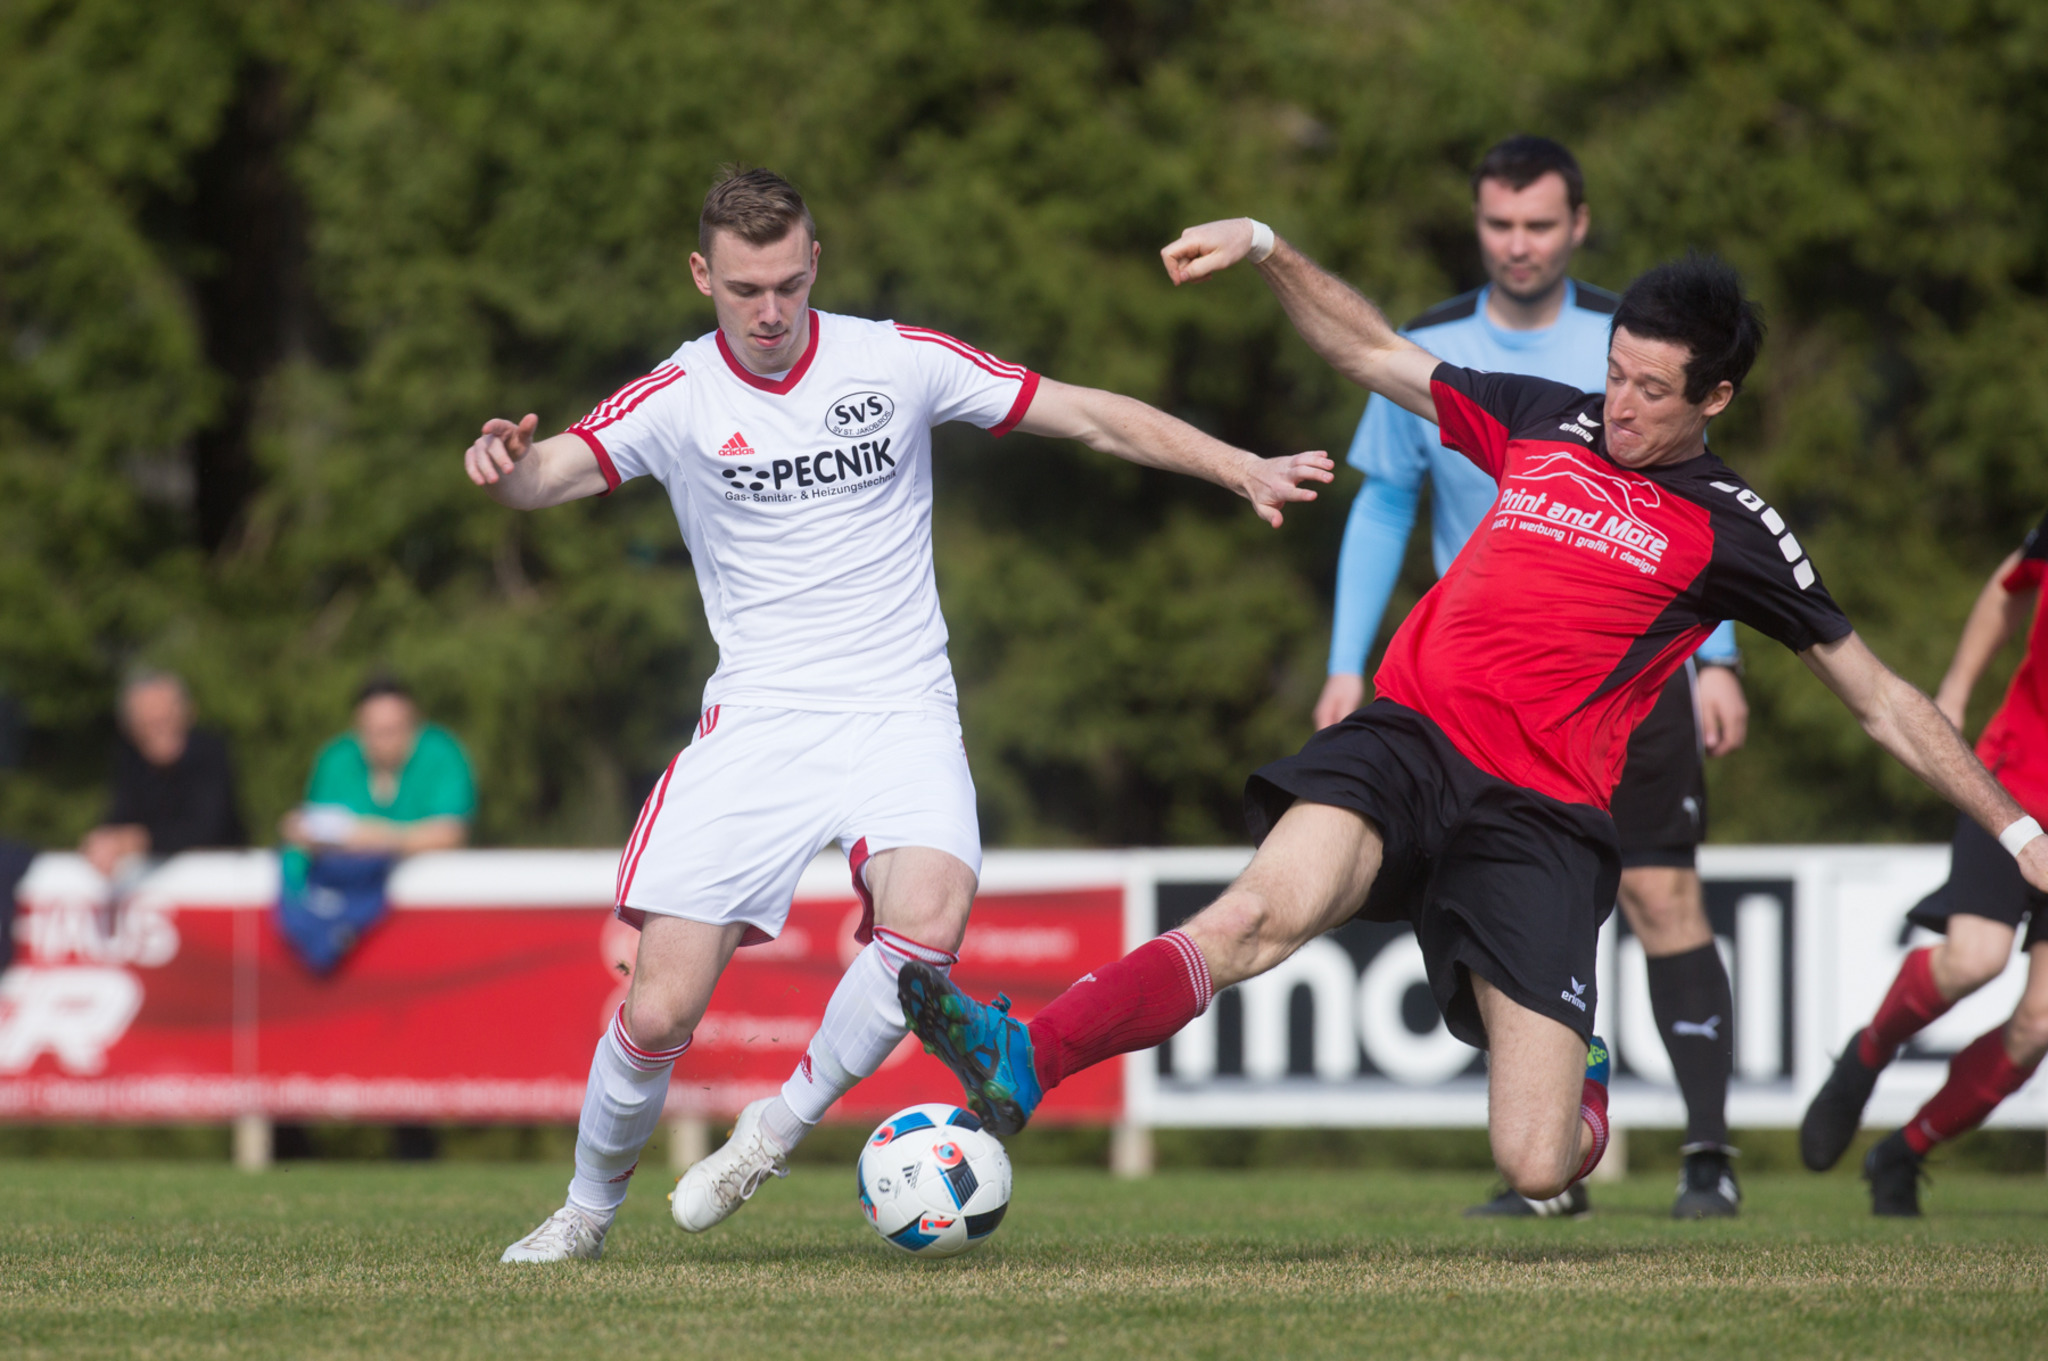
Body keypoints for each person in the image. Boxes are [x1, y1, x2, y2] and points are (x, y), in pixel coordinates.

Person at [900, 219, 2048, 1219]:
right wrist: (1263, 245)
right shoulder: (1545, 419)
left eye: (1655, 389)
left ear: (1715, 398)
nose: (1623, 403)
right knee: (1257, 910)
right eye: (1617, 373)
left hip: (1539, 819)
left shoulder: (1732, 525)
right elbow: (1368, 349)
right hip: (1406, 739)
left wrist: (2014, 831)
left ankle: (1577, 1068)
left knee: (1534, 1158)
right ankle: (1027, 1054)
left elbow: (1881, 699)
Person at [475, 168, 1333, 1264]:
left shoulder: (896, 359)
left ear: (815, 263)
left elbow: (1085, 414)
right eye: (744, 288)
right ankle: (584, 1214)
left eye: (787, 282)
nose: (770, 310)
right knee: (657, 1010)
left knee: (928, 914)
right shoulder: (678, 394)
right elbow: (548, 475)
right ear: (702, 277)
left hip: (898, 705)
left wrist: (1236, 464)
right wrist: (502, 469)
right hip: (761, 719)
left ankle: (772, 1129)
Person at [1319, 136, 1750, 1219]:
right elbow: (1381, 504)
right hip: (1474, 695)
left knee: (1661, 893)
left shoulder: (1629, 340)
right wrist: (1340, 661)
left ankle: (1707, 1151)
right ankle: (1554, 1147)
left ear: (1577, 226)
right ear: (1479, 225)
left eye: (1538, 225)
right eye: (1498, 225)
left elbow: (1693, 509)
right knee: (1501, 905)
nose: (1517, 245)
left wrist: (1719, 657)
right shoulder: (1428, 345)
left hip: (1626, 681)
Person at [1800, 515, 2048, 1215]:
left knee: (2040, 1024)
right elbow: (2013, 583)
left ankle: (1903, 1150)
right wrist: (1957, 691)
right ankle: (1869, 1051)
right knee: (1974, 957)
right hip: (2017, 780)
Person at [275, 677, 474, 973]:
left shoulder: (442, 753)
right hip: (349, 917)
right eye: (373, 731)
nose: (383, 740)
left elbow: (450, 833)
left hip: (430, 927)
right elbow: (312, 830)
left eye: (393, 730)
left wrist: (373, 838)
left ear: (414, 723)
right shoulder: (336, 759)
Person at [80, 670, 246, 878]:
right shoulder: (128, 760)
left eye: (168, 718)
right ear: (130, 728)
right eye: (149, 722)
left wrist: (138, 841)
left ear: (189, 714)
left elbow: (207, 828)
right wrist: (104, 839)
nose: (160, 728)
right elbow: (119, 817)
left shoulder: (210, 753)